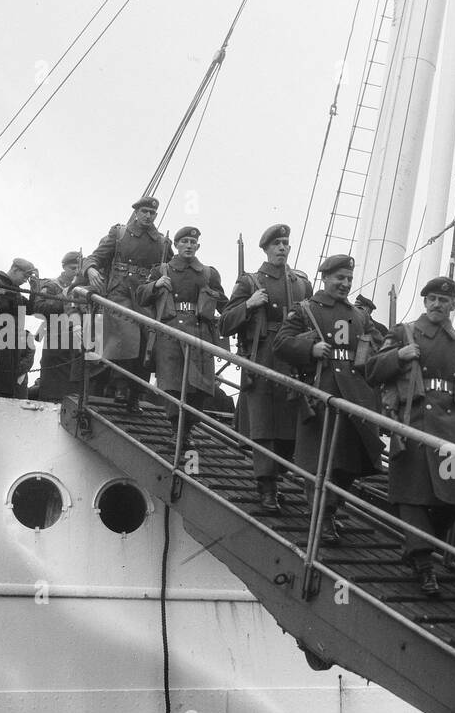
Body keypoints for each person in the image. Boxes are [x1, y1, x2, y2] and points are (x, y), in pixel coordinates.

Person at [366, 276, 455, 596]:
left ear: (453, 306)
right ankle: (423, 564)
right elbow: (372, 371)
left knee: (453, 500)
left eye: (443, 300)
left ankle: (417, 546)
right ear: (425, 302)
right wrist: (399, 356)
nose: (437, 304)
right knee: (413, 497)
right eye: (431, 299)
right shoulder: (403, 333)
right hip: (415, 424)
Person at [274, 253, 383, 545]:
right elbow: (281, 343)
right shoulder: (306, 309)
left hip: (356, 397)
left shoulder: (360, 315)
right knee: (319, 461)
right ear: (326, 278)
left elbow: (376, 345)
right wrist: (309, 348)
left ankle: (330, 510)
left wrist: (369, 353)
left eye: (348, 279)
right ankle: (321, 518)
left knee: (349, 462)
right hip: (323, 393)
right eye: (339, 278)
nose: (345, 284)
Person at [219, 223, 312, 512]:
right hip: (262, 360)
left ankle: (276, 476)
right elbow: (224, 322)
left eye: (286, 242)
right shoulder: (250, 282)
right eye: (277, 244)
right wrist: (248, 305)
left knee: (289, 428)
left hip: (292, 361)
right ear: (266, 249)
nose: (282, 247)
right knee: (264, 428)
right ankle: (267, 487)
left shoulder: (301, 283)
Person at [136, 227, 227, 440]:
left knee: (201, 385)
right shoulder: (162, 270)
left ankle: (188, 428)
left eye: (192, 242)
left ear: (198, 246)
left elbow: (224, 304)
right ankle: (178, 430)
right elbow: (141, 296)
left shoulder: (208, 273)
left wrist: (244, 308)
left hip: (200, 333)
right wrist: (155, 285)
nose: (188, 245)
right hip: (170, 332)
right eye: (184, 241)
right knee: (172, 383)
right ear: (176, 245)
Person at [80, 196, 170, 408]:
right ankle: (120, 385)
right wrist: (90, 269)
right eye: (144, 211)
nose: (148, 216)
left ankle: (135, 392)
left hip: (146, 296)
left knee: (147, 340)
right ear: (136, 213)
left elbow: (171, 267)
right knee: (128, 336)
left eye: (152, 213)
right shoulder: (119, 234)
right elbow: (95, 257)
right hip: (120, 293)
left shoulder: (162, 242)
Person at [0, 258, 58, 397]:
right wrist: (4, 302)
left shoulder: (15, 292)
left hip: (7, 348)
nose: (25, 280)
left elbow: (31, 309)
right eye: (25, 276)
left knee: (3, 389)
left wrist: (34, 291)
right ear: (15, 270)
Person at [33, 251, 85, 400]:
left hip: (76, 338)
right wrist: (63, 298)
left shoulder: (83, 286)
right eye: (72, 268)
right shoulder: (52, 285)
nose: (75, 272)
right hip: (56, 336)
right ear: (64, 267)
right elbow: (39, 308)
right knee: (53, 380)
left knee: (73, 380)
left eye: (78, 269)